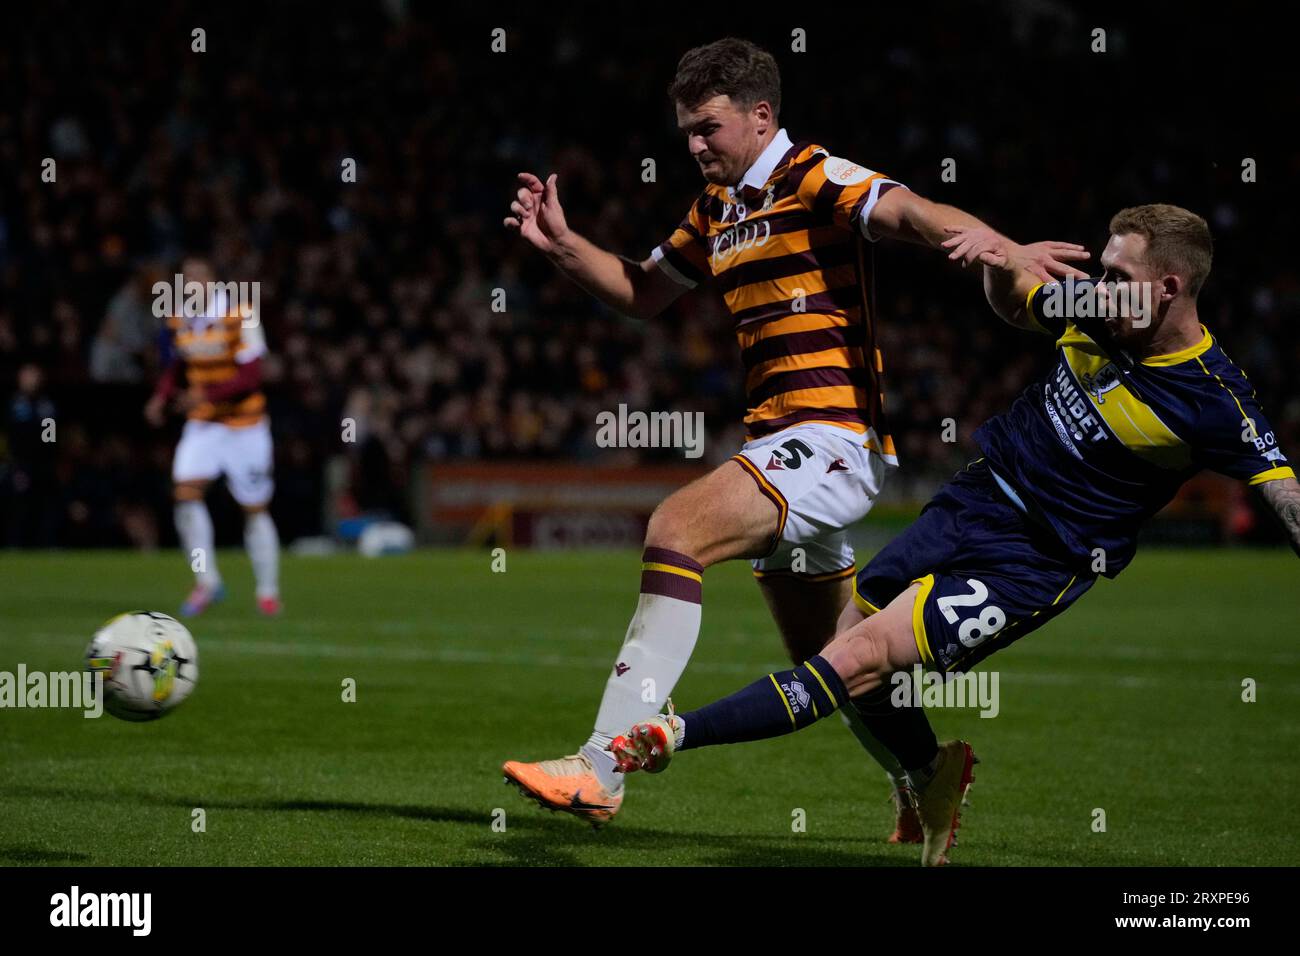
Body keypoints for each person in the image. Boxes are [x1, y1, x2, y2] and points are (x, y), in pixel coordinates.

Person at [501, 36, 1085, 830]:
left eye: (707, 127)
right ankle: (930, 773)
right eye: (685, 132)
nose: (694, 145)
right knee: (841, 658)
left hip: (831, 437)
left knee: (675, 528)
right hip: (780, 443)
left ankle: (602, 765)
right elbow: (643, 293)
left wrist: (1005, 249)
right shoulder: (715, 209)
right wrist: (564, 247)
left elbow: (910, 211)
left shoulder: (811, 172)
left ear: (760, 114)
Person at [608, 204, 1300, 865]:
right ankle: (931, 773)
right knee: (850, 648)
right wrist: (1001, 264)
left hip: (1036, 558)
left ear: (1169, 288)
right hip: (974, 496)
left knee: (860, 657)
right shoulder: (1096, 308)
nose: (1097, 288)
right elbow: (1014, 304)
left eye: (1118, 278)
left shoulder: (1214, 399)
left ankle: (672, 733)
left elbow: (1284, 493)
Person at [144, 256, 282, 617]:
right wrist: (161, 397)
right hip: (204, 424)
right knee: (186, 495)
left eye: (199, 277)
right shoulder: (177, 317)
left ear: (214, 280)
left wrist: (205, 395)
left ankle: (267, 591)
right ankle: (207, 582)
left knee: (253, 509)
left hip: (245, 425)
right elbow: (176, 366)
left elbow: (252, 375)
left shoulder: (242, 312)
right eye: (186, 278)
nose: (192, 284)